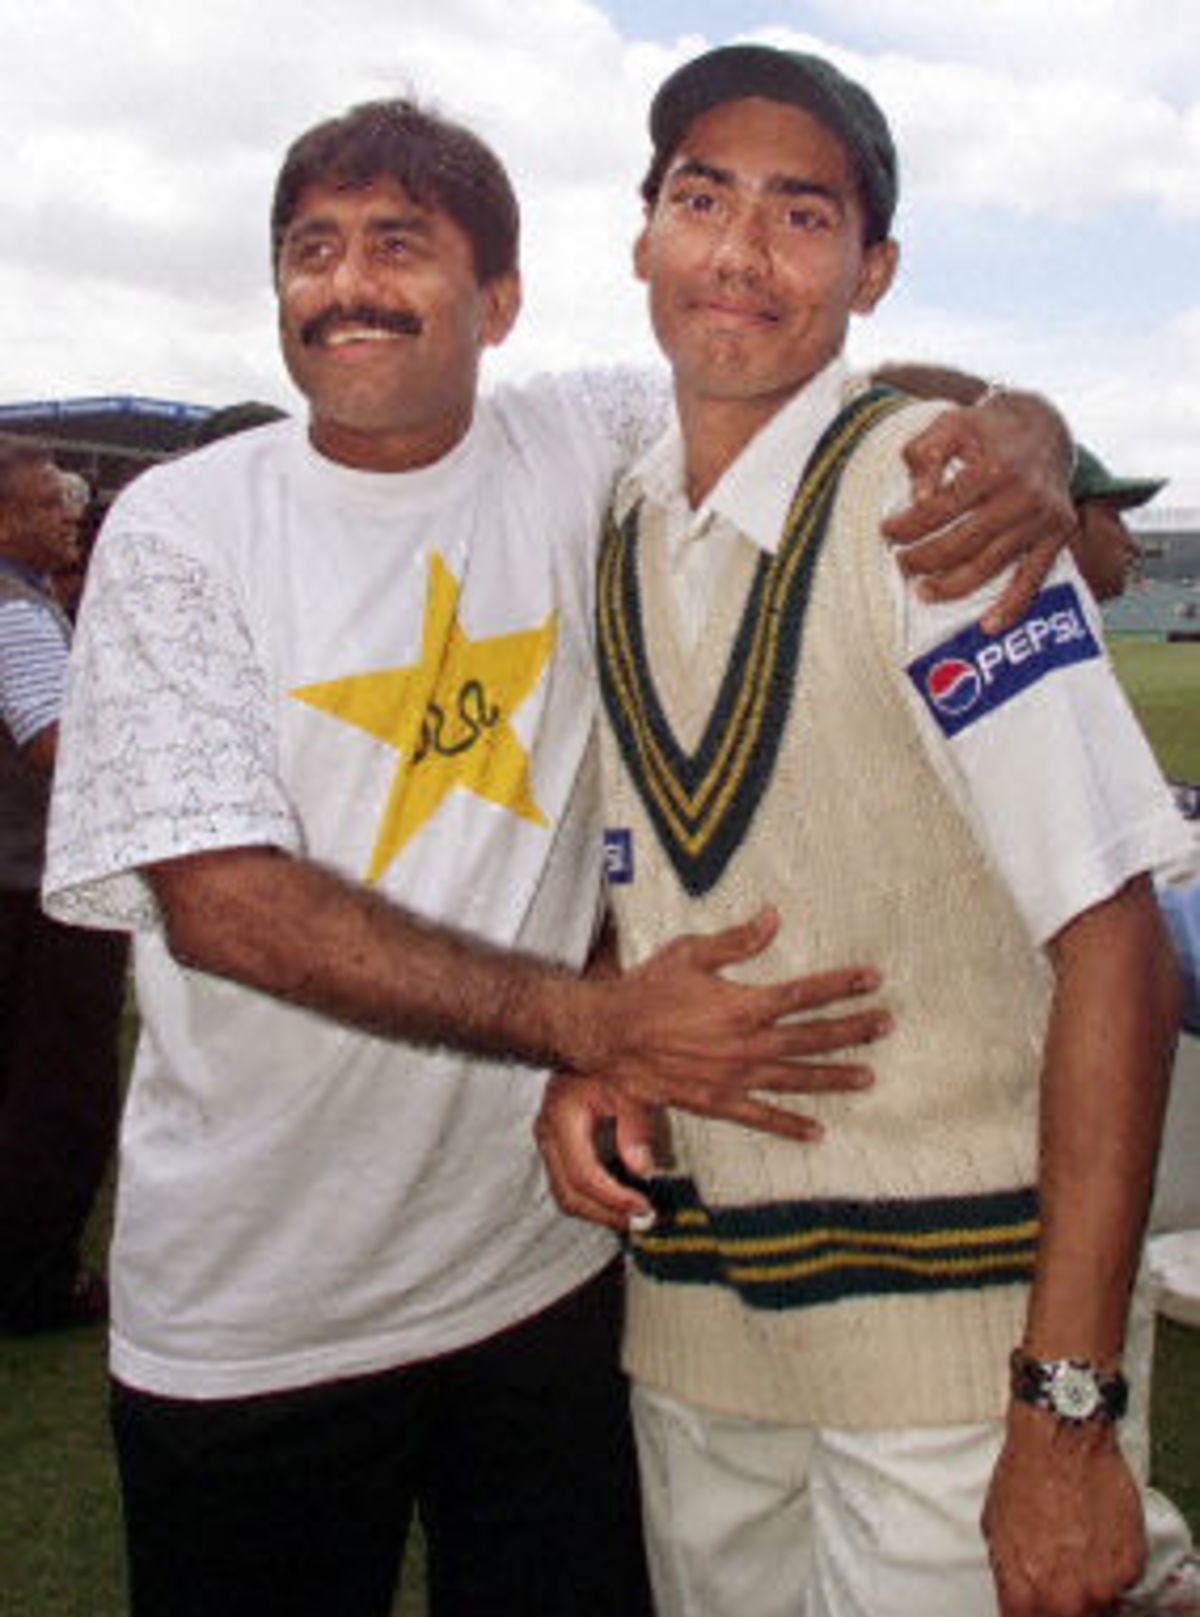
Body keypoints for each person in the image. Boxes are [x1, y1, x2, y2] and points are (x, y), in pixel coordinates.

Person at [45, 98, 1073, 1617]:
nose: (346, 285)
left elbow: (819, 387)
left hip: (541, 1278)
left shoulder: (580, 436)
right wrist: (598, 1022)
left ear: (501, 299)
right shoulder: (185, 529)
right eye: (309, 252)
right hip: (255, 1306)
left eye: (400, 245)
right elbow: (224, 904)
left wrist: (1021, 431)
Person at [534, 44, 1192, 1617]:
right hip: (698, 1317)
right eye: (703, 199)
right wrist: (602, 1043)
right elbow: (681, 862)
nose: (741, 253)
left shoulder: (937, 503)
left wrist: (1068, 1403)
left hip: (958, 1346)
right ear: (642, 235)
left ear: (872, 268)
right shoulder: (622, 516)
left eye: (802, 214)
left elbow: (1115, 947)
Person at [0, 440, 126, 1331]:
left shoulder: (30, 601)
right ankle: (33, 1281)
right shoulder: (15, 612)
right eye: (49, 503)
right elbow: (54, 743)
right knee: (56, 1093)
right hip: (37, 894)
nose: (69, 515)